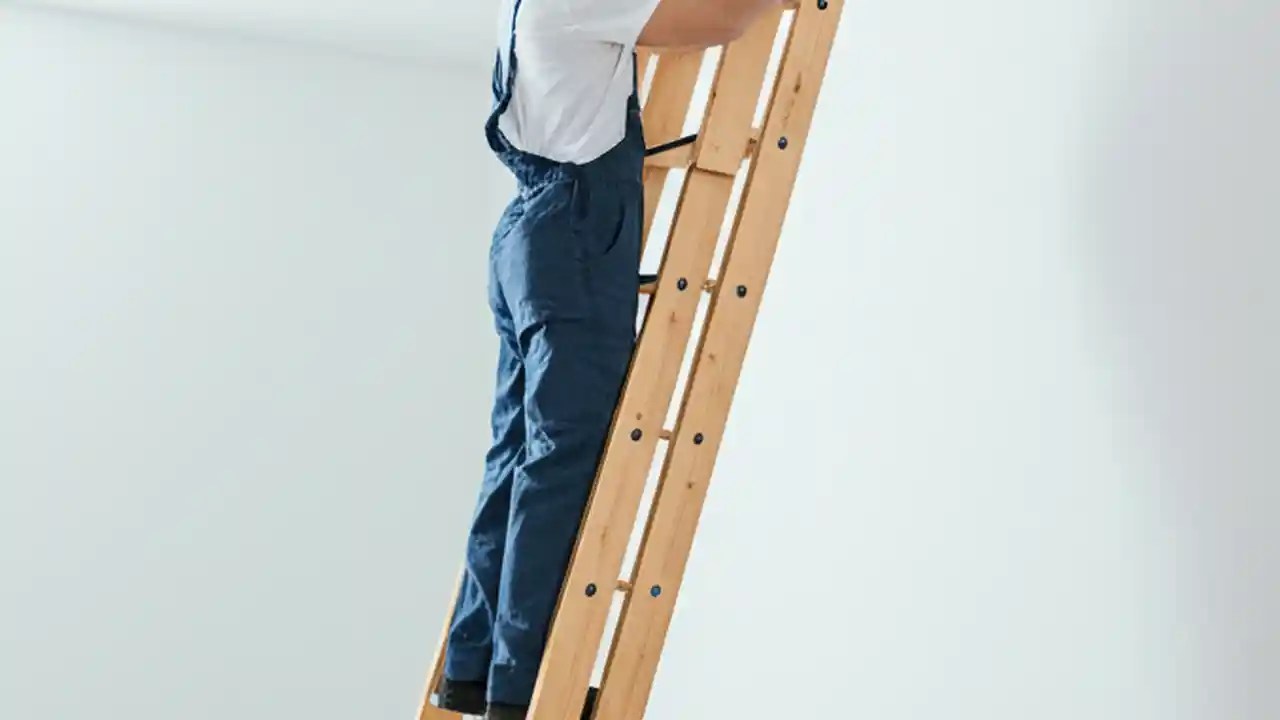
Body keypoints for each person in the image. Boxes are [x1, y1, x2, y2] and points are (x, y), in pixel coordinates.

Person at [436, 1, 784, 718]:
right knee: (564, 457)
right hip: (571, 231)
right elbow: (717, 23)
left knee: (519, 455)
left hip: (529, 233)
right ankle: (525, 680)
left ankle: (477, 667)